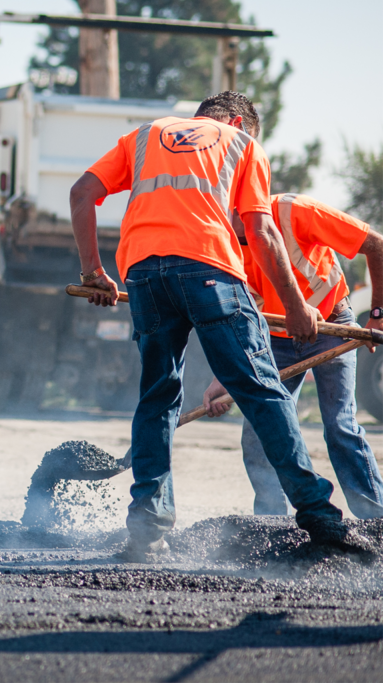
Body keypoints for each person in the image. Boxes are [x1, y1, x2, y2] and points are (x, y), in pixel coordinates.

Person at [69, 91, 357, 562]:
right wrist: (297, 306)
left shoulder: (144, 136)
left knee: (158, 395)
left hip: (142, 275)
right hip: (208, 269)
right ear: (240, 121)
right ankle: (320, 518)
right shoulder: (243, 144)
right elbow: (260, 232)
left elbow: (81, 193)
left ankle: (147, 530)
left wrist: (92, 273)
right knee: (261, 390)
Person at [202, 196, 383, 518]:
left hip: (331, 328)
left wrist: (379, 314)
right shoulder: (219, 243)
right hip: (273, 340)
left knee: (340, 427)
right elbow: (237, 316)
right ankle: (272, 524)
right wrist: (223, 379)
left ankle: (376, 518)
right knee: (259, 433)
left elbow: (376, 245)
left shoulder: (294, 212)